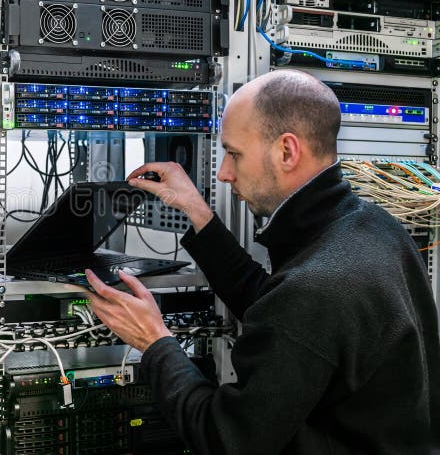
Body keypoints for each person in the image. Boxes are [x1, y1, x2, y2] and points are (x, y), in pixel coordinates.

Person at [85, 69, 440, 454]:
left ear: (287, 151)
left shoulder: (316, 287)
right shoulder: (374, 227)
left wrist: (155, 342)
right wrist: (199, 214)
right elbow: (282, 312)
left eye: (234, 153)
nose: (223, 173)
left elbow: (225, 438)